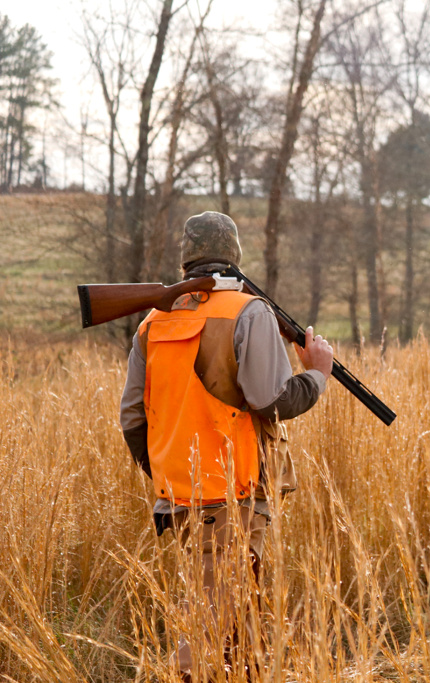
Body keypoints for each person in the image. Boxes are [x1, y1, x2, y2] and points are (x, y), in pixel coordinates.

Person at [119, 211, 334, 682]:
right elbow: (272, 401)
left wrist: (167, 474)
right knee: (209, 628)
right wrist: (317, 373)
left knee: (238, 623)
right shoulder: (247, 311)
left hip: (177, 498)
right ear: (234, 256)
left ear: (185, 260)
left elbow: (132, 418)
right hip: (234, 494)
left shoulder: (152, 323)